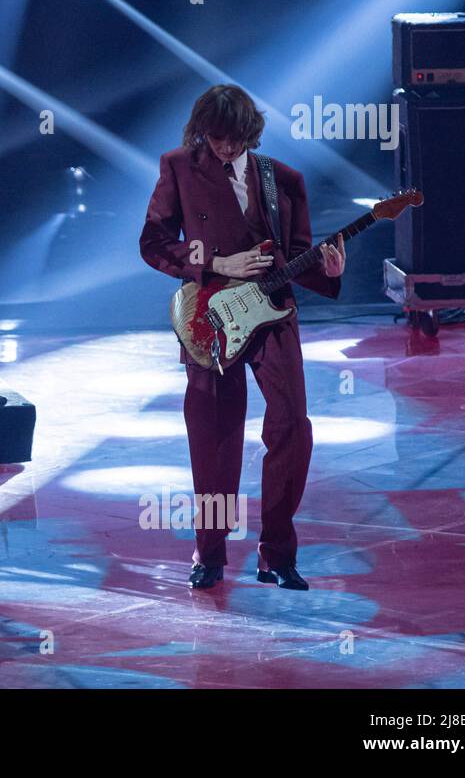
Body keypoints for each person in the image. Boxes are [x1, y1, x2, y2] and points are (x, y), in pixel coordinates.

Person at [139, 84, 346, 591]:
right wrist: (213, 261)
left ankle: (276, 552)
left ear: (251, 133)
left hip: (274, 316)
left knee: (292, 427)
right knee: (213, 435)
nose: (225, 149)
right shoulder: (179, 167)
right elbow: (153, 241)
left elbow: (297, 255)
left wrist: (330, 270)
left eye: (234, 140)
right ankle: (209, 551)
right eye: (215, 138)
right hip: (213, 315)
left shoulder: (284, 180)